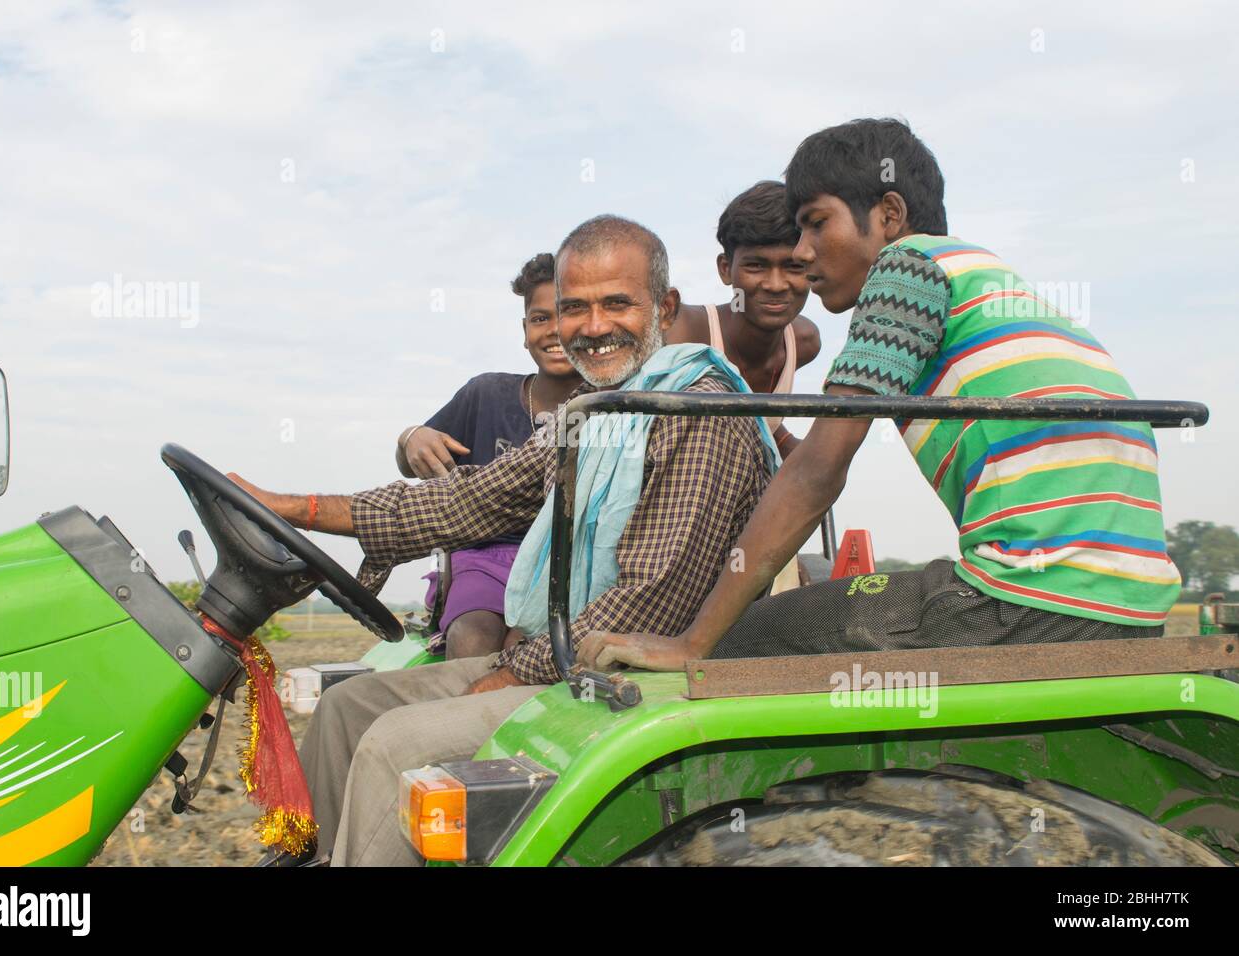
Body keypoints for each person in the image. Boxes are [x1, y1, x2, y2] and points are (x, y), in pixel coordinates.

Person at [228, 214, 776, 865]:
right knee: (345, 710)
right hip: (567, 660)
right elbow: (465, 500)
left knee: (394, 746)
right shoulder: (597, 416)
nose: (593, 326)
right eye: (574, 308)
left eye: (616, 303)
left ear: (665, 307)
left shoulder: (697, 414)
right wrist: (290, 507)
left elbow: (647, 606)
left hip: (631, 679)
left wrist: (512, 671)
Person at [578, 118, 1181, 674]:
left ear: (889, 215)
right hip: (1131, 602)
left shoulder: (908, 268)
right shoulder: (986, 277)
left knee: (743, 636)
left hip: (1029, 602)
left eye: (816, 223)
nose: (804, 251)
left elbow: (820, 468)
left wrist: (691, 644)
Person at [393, 254, 583, 659]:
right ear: (524, 329)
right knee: (474, 636)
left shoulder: (608, 407)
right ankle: (466, 717)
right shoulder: (486, 394)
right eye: (539, 318)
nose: (553, 332)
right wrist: (411, 438)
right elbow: (410, 463)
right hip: (488, 559)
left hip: (572, 560)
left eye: (565, 315)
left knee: (557, 648)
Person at [666, 180, 821, 457]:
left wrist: (787, 444)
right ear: (726, 269)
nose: (775, 285)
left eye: (793, 266)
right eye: (756, 265)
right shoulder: (682, 335)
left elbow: (751, 418)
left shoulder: (804, 343)